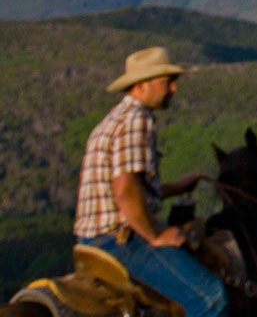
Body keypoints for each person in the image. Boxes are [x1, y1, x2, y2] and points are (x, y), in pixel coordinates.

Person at [74, 47, 225, 317]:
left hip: (89, 239)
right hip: (120, 240)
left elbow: (128, 189)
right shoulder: (136, 120)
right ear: (142, 86)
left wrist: (178, 187)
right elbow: (124, 190)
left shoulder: (112, 120)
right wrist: (155, 236)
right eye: (167, 83)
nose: (174, 89)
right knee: (211, 297)